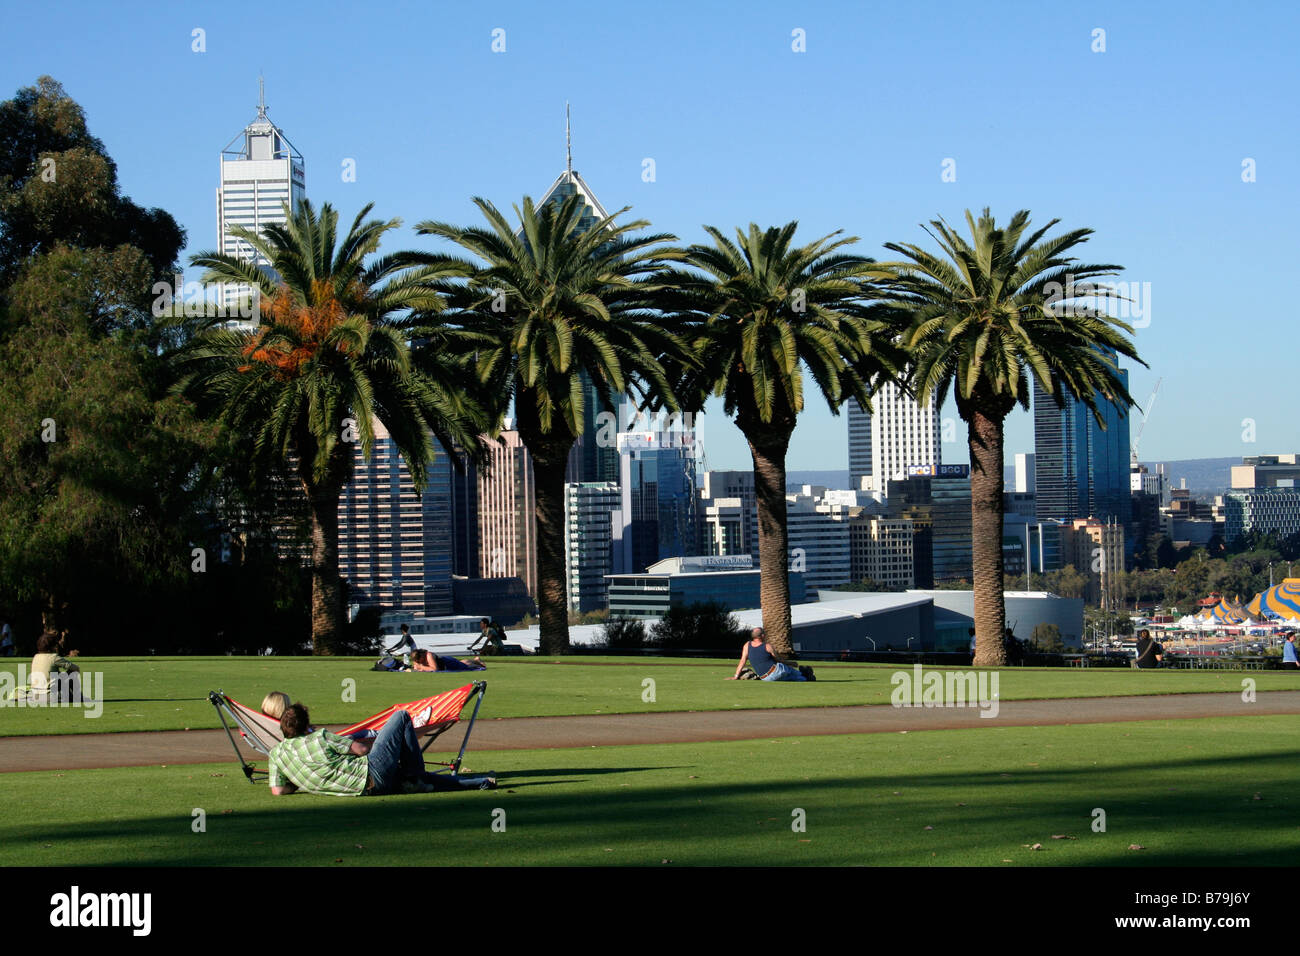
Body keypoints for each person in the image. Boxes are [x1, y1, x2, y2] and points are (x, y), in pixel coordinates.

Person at [267, 701, 495, 797]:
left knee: (429, 783)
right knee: (401, 716)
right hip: (370, 772)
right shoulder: (319, 737)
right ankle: (413, 775)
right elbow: (360, 750)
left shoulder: (276, 754)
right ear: (306, 724)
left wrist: (304, 777)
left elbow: (278, 791)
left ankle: (482, 782)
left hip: (365, 789)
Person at [729, 627, 813, 681]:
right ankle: (804, 674)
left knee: (790, 677)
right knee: (789, 670)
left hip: (766, 678)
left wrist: (736, 676)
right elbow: (778, 660)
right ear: (762, 636)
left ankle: (804, 678)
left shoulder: (747, 645)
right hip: (776, 671)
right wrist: (792, 663)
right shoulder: (767, 646)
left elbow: (742, 661)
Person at [30, 631, 84, 701]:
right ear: (53, 646)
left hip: (35, 696)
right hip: (51, 696)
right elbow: (76, 668)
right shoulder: (54, 657)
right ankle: (79, 697)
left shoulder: (35, 657)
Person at [410, 649, 485, 673]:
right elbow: (416, 667)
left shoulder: (428, 655)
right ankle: (476, 660)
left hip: (448, 663)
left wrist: (421, 667)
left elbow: (434, 669)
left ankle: (477, 662)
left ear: (421, 656)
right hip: (446, 664)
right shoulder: (417, 659)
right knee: (462, 662)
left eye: (419, 661)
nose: (418, 662)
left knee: (465, 666)